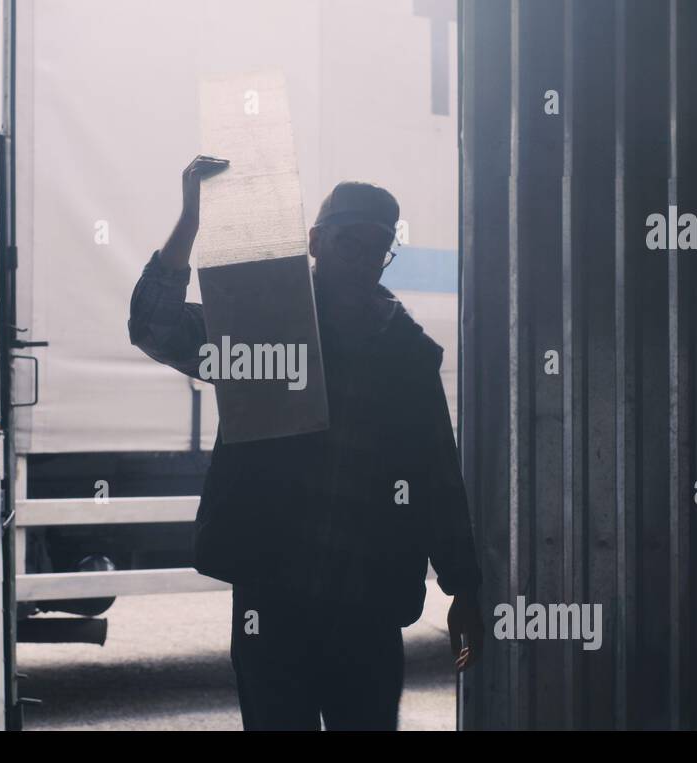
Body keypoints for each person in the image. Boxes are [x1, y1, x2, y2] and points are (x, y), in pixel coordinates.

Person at [128, 155, 484, 730]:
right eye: (351, 243)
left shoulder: (407, 357)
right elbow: (154, 325)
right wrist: (192, 217)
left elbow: (436, 476)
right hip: (274, 600)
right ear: (315, 241)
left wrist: (463, 590)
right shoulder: (268, 328)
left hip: (368, 602)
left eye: (378, 247)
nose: (366, 260)